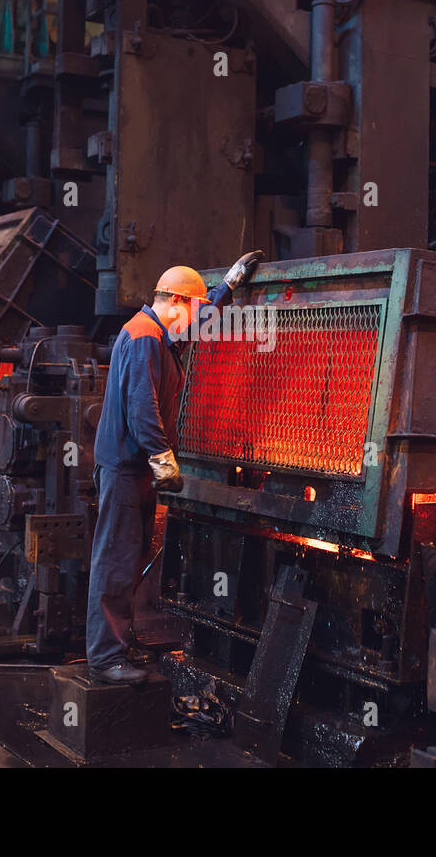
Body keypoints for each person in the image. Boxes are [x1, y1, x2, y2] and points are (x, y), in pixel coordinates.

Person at [86, 251, 263, 684]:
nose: (194, 325)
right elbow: (141, 405)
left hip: (137, 469)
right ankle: (106, 659)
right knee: (116, 561)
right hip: (127, 470)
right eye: (193, 311)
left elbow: (200, 322)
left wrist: (229, 286)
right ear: (176, 303)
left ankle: (117, 646)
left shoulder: (163, 332)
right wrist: (162, 458)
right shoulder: (145, 335)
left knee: (130, 558)